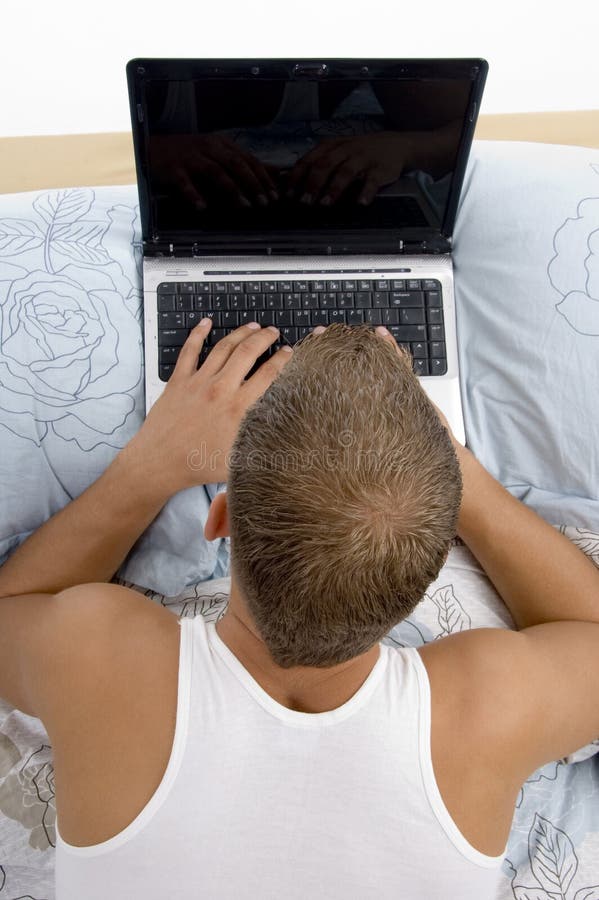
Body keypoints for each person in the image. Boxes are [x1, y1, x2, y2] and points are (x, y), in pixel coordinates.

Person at [1, 321, 598, 899]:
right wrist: (447, 472)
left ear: (220, 520)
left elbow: (13, 605)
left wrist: (153, 464)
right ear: (436, 567)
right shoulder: (486, 708)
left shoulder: (102, 661)